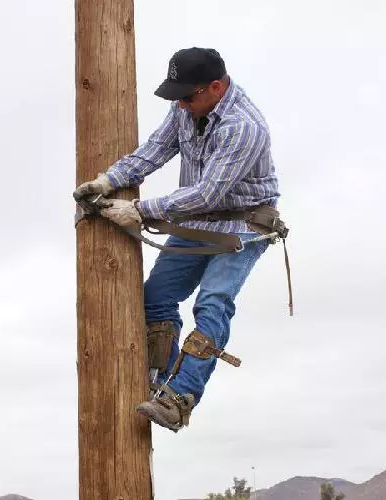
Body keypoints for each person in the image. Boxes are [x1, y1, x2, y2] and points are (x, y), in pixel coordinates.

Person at [73, 47, 280, 432]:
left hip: (244, 226)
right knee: (156, 298)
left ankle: (179, 398)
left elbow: (206, 194)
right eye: (177, 96)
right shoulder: (187, 104)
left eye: (187, 96)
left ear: (215, 87)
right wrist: (109, 179)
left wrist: (139, 210)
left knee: (213, 302)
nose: (181, 104)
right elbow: (157, 149)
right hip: (198, 220)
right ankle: (158, 378)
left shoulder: (243, 127)